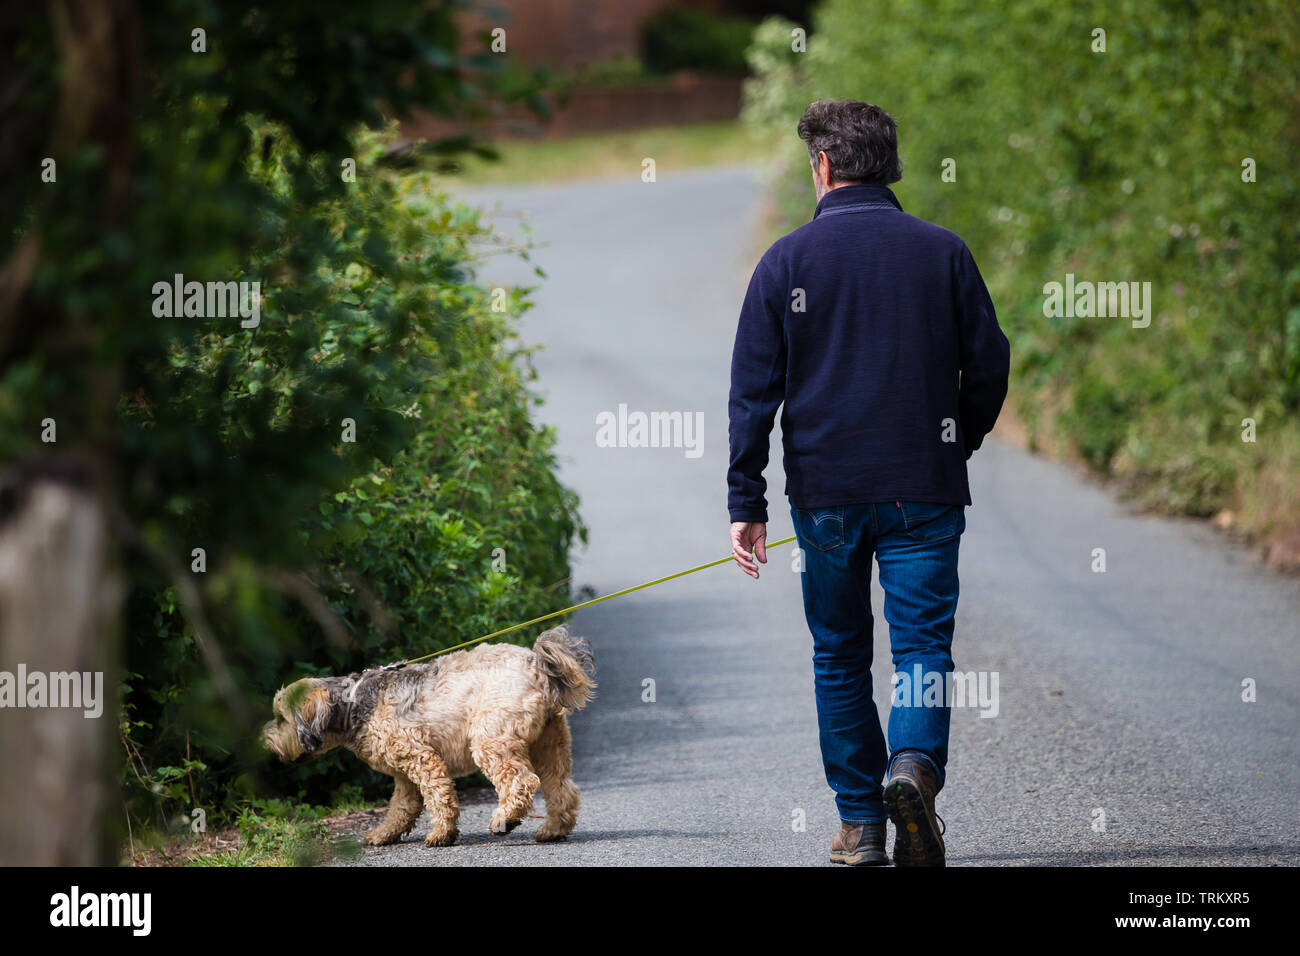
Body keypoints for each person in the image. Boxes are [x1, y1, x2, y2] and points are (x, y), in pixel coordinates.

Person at [726, 99, 1010, 867]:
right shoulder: (943, 252)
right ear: (889, 165)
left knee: (840, 654)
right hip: (924, 486)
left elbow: (754, 392)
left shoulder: (785, 263)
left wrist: (744, 502)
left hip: (825, 494)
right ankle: (912, 766)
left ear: (821, 167)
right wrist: (957, 440)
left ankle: (861, 825)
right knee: (923, 647)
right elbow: (989, 365)